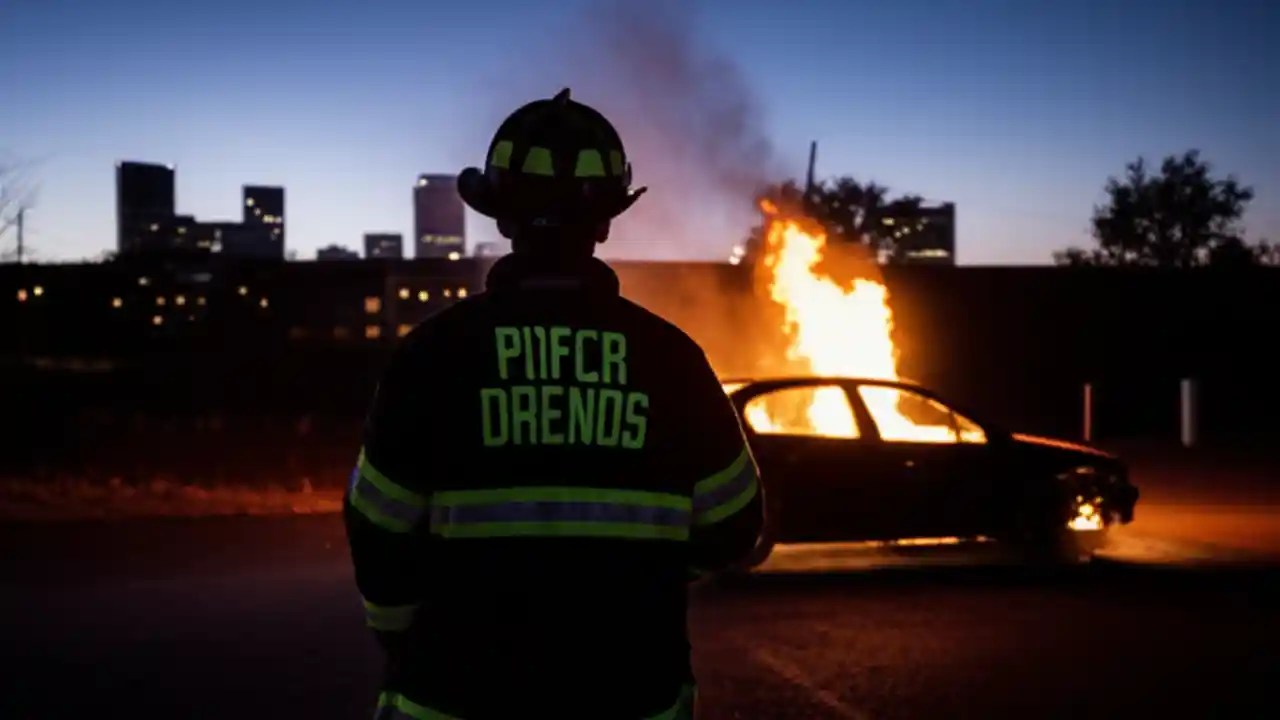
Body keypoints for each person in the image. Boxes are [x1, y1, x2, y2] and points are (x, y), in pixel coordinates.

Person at [343, 88, 764, 719]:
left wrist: (399, 631)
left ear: (501, 216)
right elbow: (735, 527)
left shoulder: (432, 354)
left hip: (458, 692)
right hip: (629, 690)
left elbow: (377, 526)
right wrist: (642, 578)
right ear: (606, 220)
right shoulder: (671, 358)